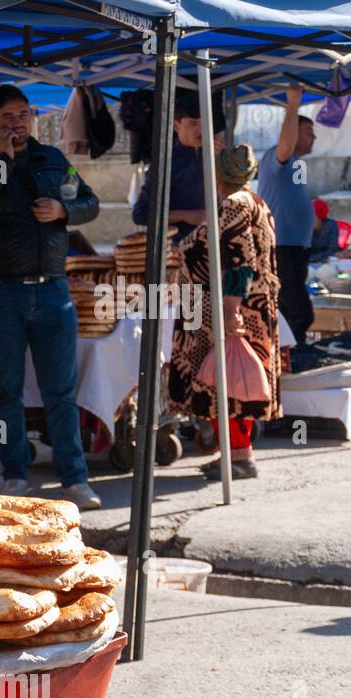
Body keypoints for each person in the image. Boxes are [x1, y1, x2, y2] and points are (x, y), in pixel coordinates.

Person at [0, 84, 103, 510]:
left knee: (61, 391)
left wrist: (64, 212)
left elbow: (89, 203)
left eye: (24, 114)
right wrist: (1, 161)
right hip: (1, 291)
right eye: (8, 117)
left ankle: (74, 478)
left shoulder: (52, 160)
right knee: (6, 392)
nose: (18, 122)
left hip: (53, 290)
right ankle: (13, 474)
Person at [169, 145, 282, 480]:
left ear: (218, 174)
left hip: (227, 308)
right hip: (246, 306)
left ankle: (238, 457)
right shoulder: (257, 203)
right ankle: (237, 453)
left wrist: (231, 311)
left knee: (224, 382)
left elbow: (239, 262)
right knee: (234, 381)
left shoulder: (233, 205)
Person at [258, 84, 317, 345]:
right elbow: (285, 145)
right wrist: (293, 105)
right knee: (298, 313)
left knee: (293, 310)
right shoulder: (279, 155)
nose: (313, 137)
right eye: (308, 132)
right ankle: (293, 356)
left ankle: (291, 354)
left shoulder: (299, 164)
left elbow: (298, 195)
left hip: (296, 247)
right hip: (281, 247)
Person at [131, 93, 224, 242]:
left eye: (204, 123)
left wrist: (225, 161)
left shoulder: (216, 154)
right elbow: (140, 215)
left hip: (213, 246)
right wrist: (185, 215)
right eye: (193, 123)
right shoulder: (165, 162)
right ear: (176, 126)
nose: (201, 130)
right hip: (177, 251)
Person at [310, 198, 341, 263]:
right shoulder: (305, 228)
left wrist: (312, 258)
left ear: (320, 218)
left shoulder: (332, 226)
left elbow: (333, 249)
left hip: (328, 261)